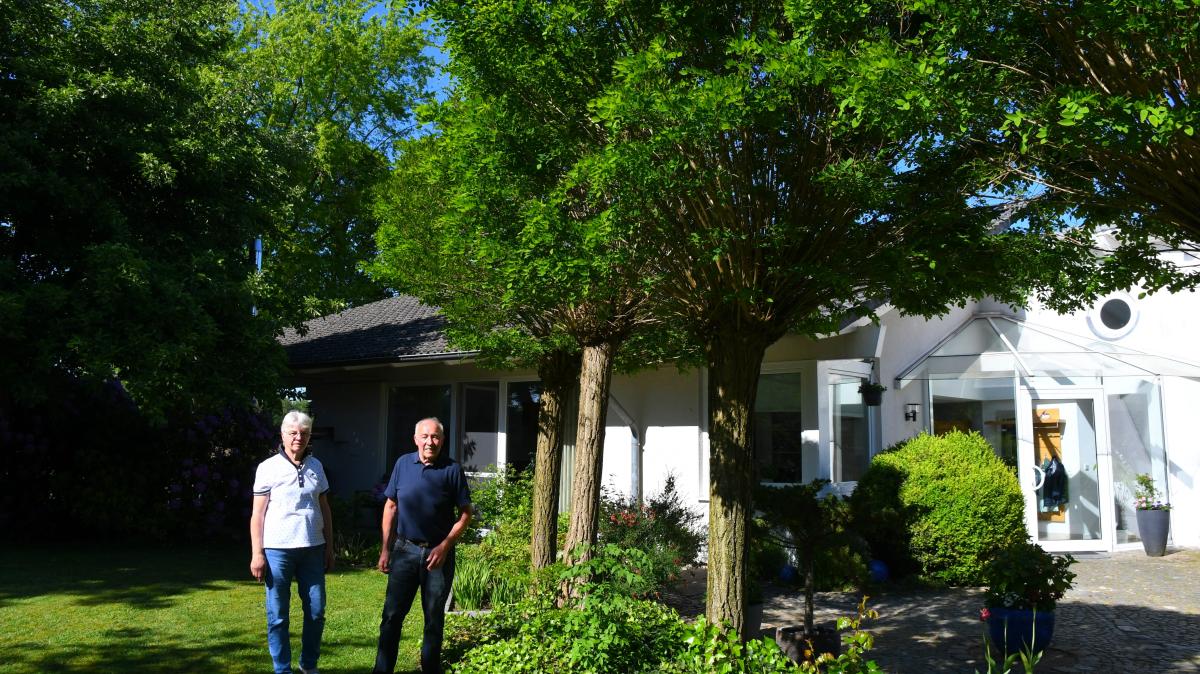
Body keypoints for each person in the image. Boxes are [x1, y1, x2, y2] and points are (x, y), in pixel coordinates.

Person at [373, 417, 472, 674]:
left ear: (442, 440)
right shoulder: (402, 464)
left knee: (433, 620)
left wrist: (445, 546)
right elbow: (391, 505)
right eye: (425, 436)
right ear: (416, 439)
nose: (431, 442)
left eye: (436, 436)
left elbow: (465, 514)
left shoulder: (452, 470)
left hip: (437, 557)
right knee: (392, 617)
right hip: (404, 552)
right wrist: (386, 548)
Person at [250, 410, 334, 674]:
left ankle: (308, 665)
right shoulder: (267, 468)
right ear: (283, 435)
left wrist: (330, 547)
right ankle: (282, 669)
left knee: (316, 611)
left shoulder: (316, 466)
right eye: (293, 433)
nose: (299, 438)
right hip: (277, 551)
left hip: (313, 548)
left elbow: (325, 508)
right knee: (278, 616)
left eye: (304, 433)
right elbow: (257, 515)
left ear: (309, 437)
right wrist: (257, 553)